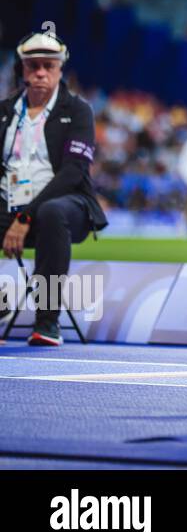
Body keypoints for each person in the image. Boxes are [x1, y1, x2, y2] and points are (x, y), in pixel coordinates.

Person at [0, 32, 107, 346]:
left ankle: (47, 322)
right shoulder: (5, 112)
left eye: (48, 66)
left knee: (51, 211)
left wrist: (25, 217)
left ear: (61, 69)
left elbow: (73, 173)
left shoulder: (77, 110)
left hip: (67, 206)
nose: (40, 73)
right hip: (11, 205)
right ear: (22, 70)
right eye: (33, 66)